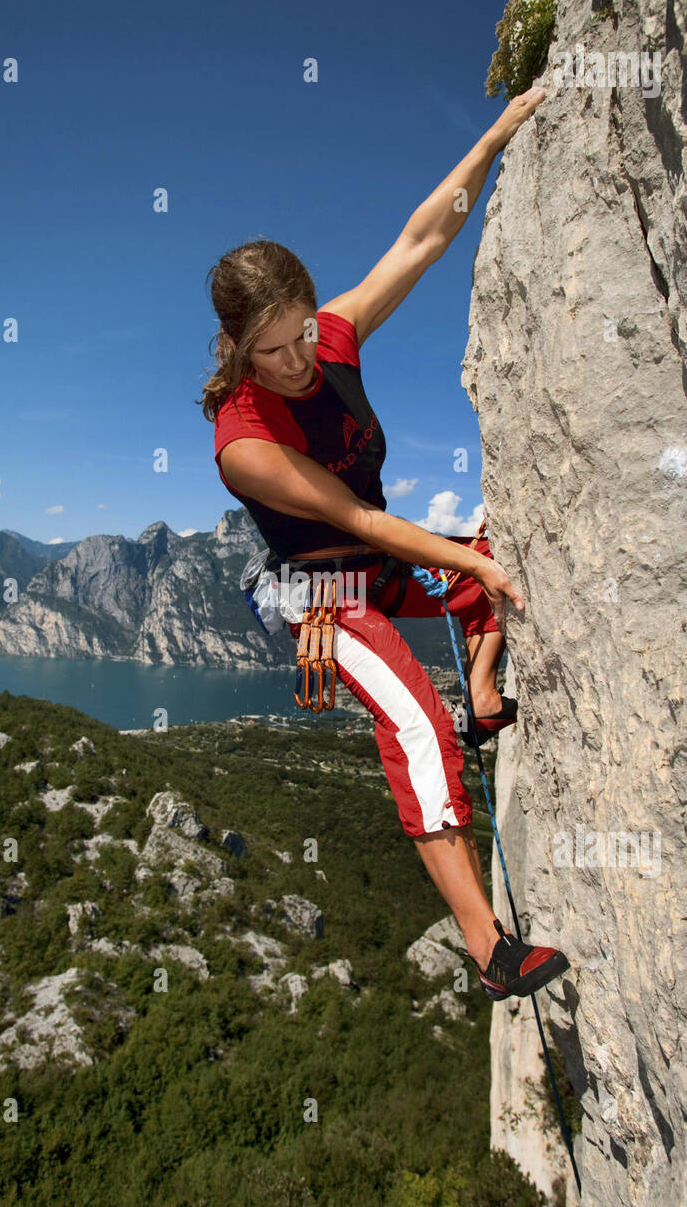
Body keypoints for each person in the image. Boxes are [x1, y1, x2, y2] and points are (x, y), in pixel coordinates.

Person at [200, 88, 568, 1001]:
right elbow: (357, 521)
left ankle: (482, 695)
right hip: (318, 587)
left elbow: (421, 240)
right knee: (412, 718)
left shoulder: (333, 338)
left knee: (492, 560)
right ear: (239, 347)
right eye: (272, 351)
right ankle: (490, 948)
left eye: (301, 335)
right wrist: (465, 560)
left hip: (378, 560)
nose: (297, 362)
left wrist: (494, 133)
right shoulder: (244, 440)